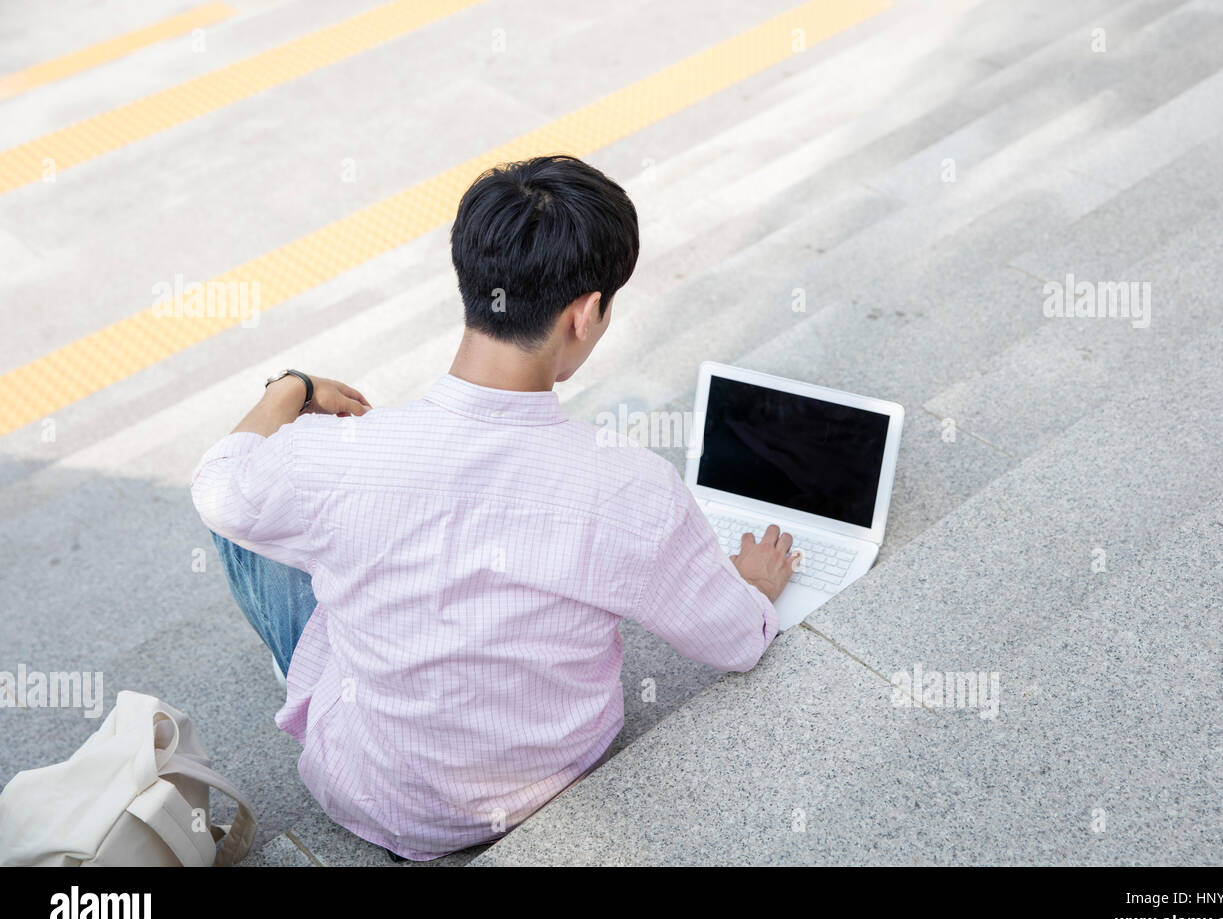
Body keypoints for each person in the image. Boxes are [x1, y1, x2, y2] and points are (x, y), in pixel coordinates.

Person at [190, 155, 798, 861]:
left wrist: (289, 389)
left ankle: (318, 658)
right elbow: (736, 642)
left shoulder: (339, 455)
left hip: (364, 791)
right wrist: (748, 589)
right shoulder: (632, 488)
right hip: (551, 780)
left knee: (249, 490)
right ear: (587, 311)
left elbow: (217, 483)